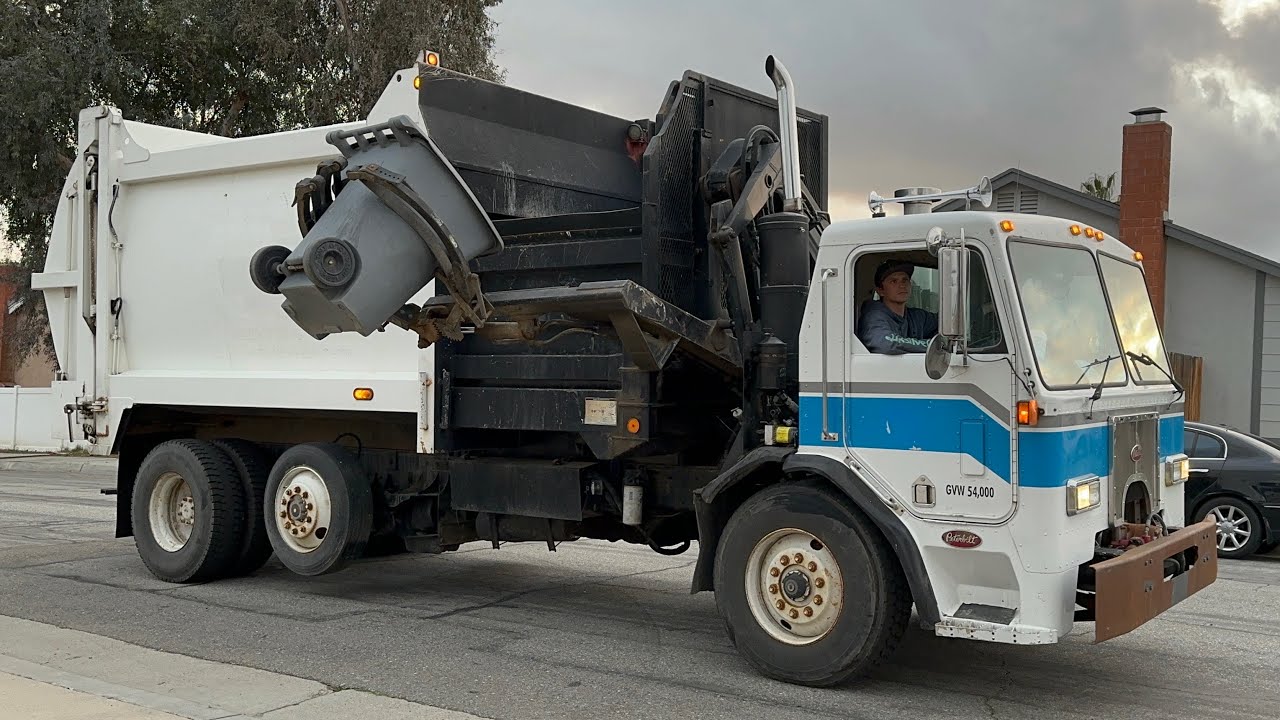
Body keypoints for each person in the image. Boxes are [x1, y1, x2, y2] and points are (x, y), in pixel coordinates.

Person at [857, 259, 939, 354]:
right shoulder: (874, 317)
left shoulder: (918, 317)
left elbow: (945, 325)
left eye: (905, 280)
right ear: (880, 291)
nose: (902, 285)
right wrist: (933, 346)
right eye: (894, 281)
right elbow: (886, 344)